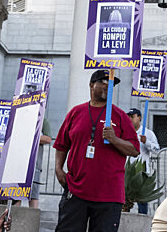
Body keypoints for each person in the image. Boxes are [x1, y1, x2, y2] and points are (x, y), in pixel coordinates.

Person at [53, 69, 140, 232]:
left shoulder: (120, 116)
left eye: (112, 84)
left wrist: (114, 139)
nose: (109, 87)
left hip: (109, 195)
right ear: (91, 85)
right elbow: (61, 145)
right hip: (76, 191)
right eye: (104, 83)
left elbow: (135, 149)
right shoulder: (75, 113)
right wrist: (58, 170)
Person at [125, 107, 160, 214]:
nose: (130, 119)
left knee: (142, 202)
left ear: (139, 118)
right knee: (124, 200)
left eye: (132, 117)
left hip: (141, 171)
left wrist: (146, 142)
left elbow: (156, 150)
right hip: (126, 171)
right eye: (128, 117)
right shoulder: (124, 132)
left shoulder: (148, 133)